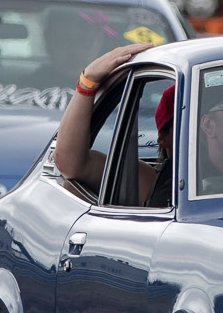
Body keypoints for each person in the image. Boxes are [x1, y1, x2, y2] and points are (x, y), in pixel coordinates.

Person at [52, 41, 173, 203]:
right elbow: (71, 164)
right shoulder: (151, 182)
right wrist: (87, 82)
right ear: (164, 138)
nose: (204, 127)